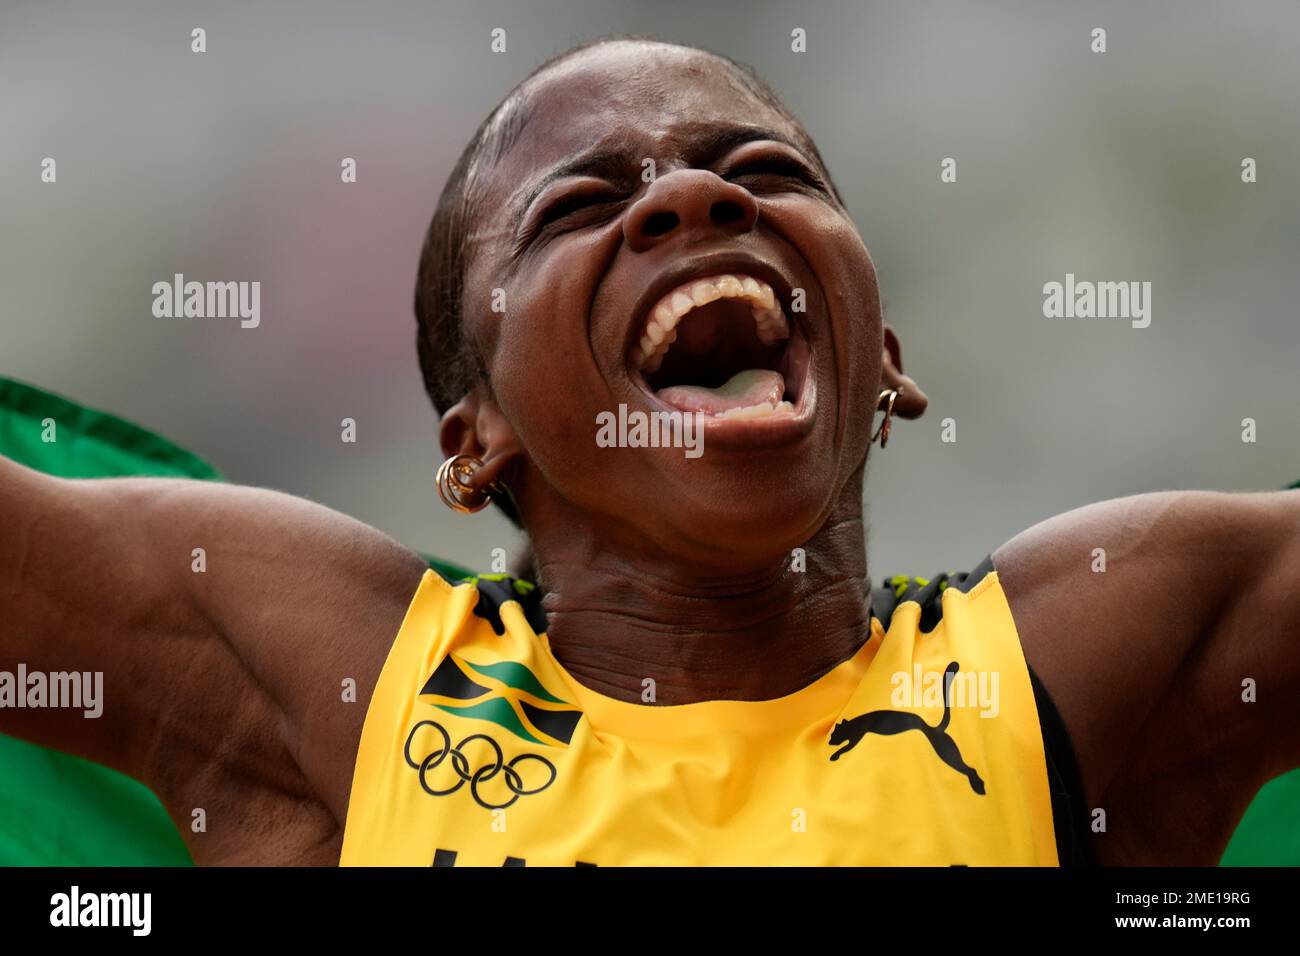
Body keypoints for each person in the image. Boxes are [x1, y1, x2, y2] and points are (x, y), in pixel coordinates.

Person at [1, 37, 1296, 866]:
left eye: (764, 172)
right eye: (578, 205)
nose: (694, 198)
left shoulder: (1085, 653)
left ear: (885, 360)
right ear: (479, 440)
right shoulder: (349, 680)